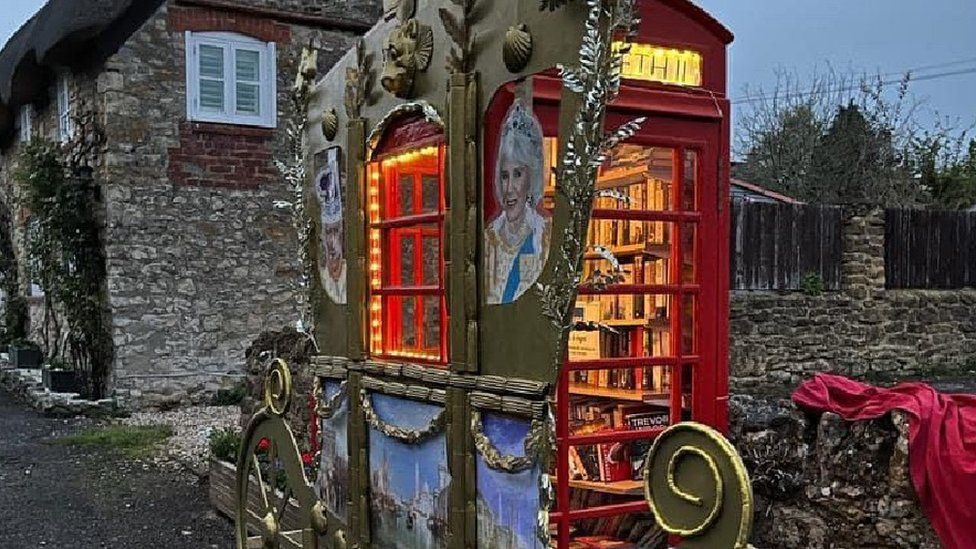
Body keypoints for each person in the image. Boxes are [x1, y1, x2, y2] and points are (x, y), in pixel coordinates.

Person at [485, 99, 551, 305]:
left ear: (532, 178)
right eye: (505, 175)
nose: (509, 187)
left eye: (518, 174)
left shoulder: (545, 235)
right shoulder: (489, 238)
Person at [316, 149, 347, 304]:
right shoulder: (325, 281)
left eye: (336, 231)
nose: (332, 241)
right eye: (328, 231)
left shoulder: (350, 275)